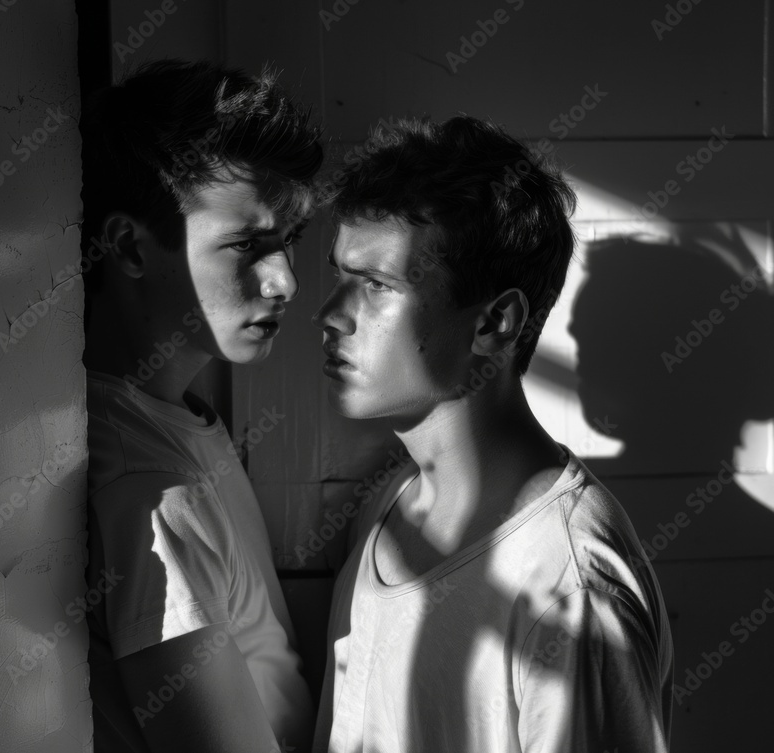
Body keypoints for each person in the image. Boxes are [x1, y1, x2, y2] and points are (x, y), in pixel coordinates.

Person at [310, 116, 673, 752]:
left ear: (495, 323)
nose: (332, 315)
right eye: (342, 276)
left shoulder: (570, 587)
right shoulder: (390, 506)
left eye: (376, 285)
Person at [81, 59, 322, 753]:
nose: (284, 281)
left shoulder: (175, 422)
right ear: (129, 246)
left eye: (288, 242)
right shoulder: (146, 491)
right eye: (246, 244)